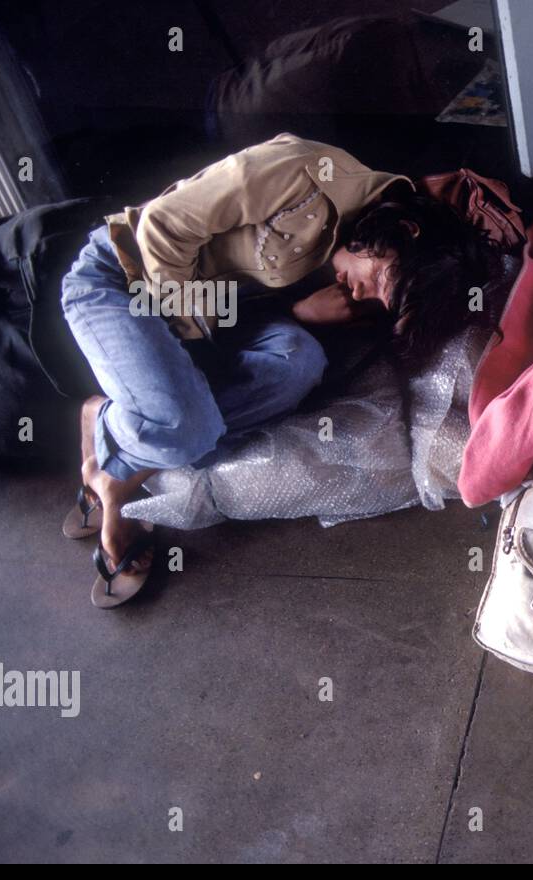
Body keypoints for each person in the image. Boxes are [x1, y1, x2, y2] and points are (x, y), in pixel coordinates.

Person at [60, 133, 502, 606]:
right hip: (125, 281)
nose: (361, 297)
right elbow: (161, 229)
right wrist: (193, 355)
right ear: (407, 231)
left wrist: (298, 316)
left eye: (380, 302)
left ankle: (124, 428)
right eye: (379, 283)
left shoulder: (365, 253)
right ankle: (116, 466)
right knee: (189, 427)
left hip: (222, 317)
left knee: (299, 362)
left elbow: (254, 297)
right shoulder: (302, 175)